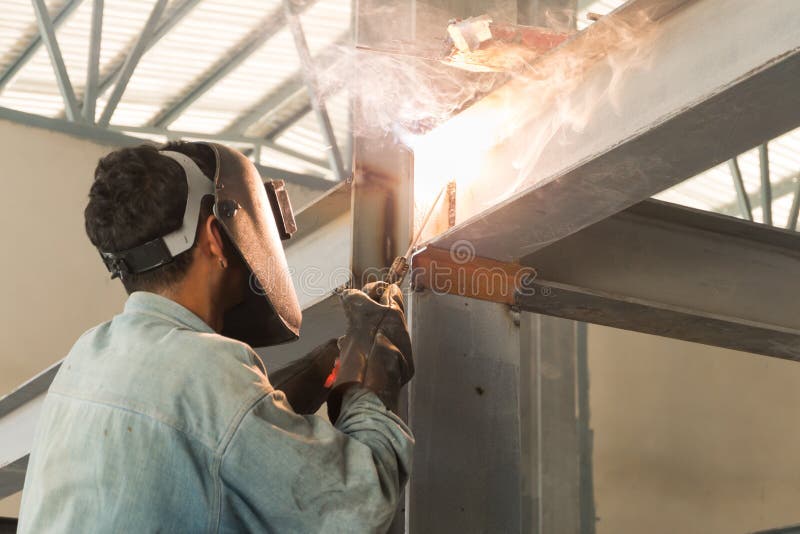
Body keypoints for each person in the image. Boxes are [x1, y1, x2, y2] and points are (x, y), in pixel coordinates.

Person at [17, 141, 414, 533]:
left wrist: (296, 391)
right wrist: (372, 369)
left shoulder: (89, 354)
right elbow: (359, 505)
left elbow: (198, 446)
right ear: (214, 235)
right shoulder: (207, 367)